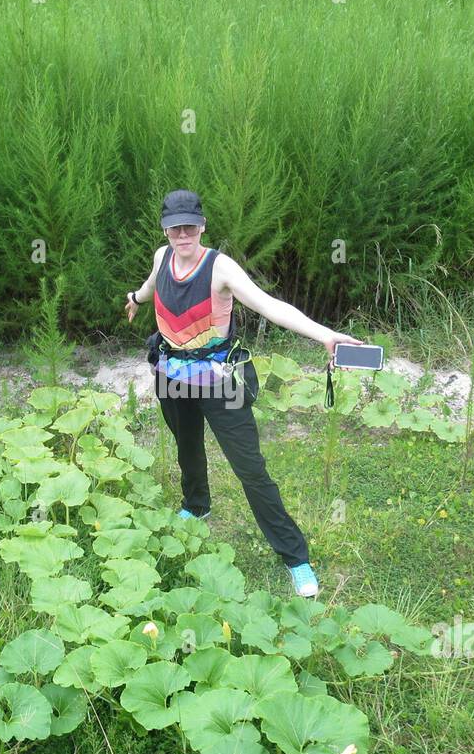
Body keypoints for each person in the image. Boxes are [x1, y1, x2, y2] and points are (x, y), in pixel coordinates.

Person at [125, 189, 363, 599]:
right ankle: (196, 505)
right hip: (170, 375)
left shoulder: (221, 268)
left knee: (250, 469)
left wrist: (325, 336)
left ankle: (295, 557)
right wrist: (134, 299)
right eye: (174, 227)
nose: (182, 233)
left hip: (221, 382)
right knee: (187, 446)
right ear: (165, 229)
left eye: (190, 226)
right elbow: (150, 287)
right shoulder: (161, 257)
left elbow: (271, 306)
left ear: (201, 226)